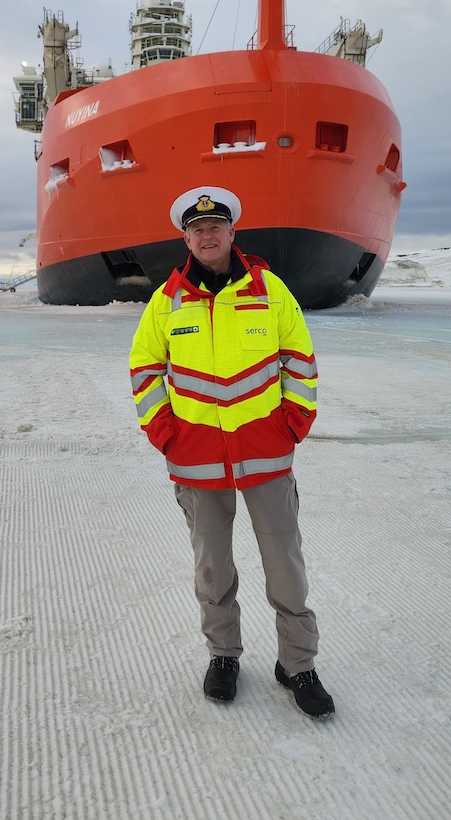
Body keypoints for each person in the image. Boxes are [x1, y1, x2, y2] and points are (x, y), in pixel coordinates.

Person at [129, 186, 335, 718]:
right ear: (186, 238)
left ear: (231, 232)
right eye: (196, 230)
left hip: (266, 452)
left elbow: (299, 358)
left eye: (215, 227)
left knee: (285, 565)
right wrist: (164, 432)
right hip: (195, 456)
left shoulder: (270, 290)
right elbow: (145, 368)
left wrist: (294, 422)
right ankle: (224, 655)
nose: (206, 235)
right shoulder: (168, 300)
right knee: (212, 568)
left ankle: (298, 663)